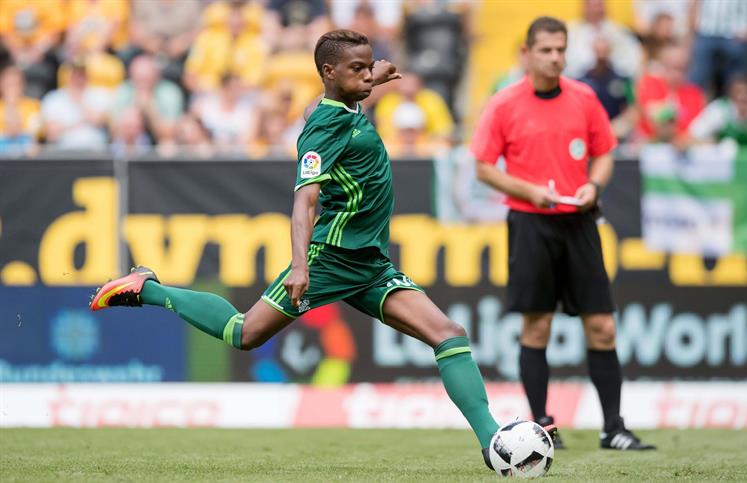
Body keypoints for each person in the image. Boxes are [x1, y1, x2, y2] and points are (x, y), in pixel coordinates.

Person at [90, 29, 521, 471]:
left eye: (368, 66)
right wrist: (300, 266)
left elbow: (335, 97)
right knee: (244, 333)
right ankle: (149, 288)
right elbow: (305, 202)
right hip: (331, 258)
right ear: (328, 72)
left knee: (448, 334)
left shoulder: (344, 103)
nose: (367, 75)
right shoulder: (323, 127)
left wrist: (374, 76)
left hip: (370, 263)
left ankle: (492, 442)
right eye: (357, 69)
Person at [471, 16, 655, 451]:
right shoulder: (504, 103)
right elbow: (483, 167)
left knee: (602, 326)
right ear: (527, 53)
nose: (555, 58)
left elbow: (604, 154)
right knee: (537, 326)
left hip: (579, 220)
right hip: (530, 222)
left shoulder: (584, 98)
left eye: (560, 50)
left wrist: (594, 185)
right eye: (546, 50)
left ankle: (613, 428)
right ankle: (543, 425)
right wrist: (529, 191)